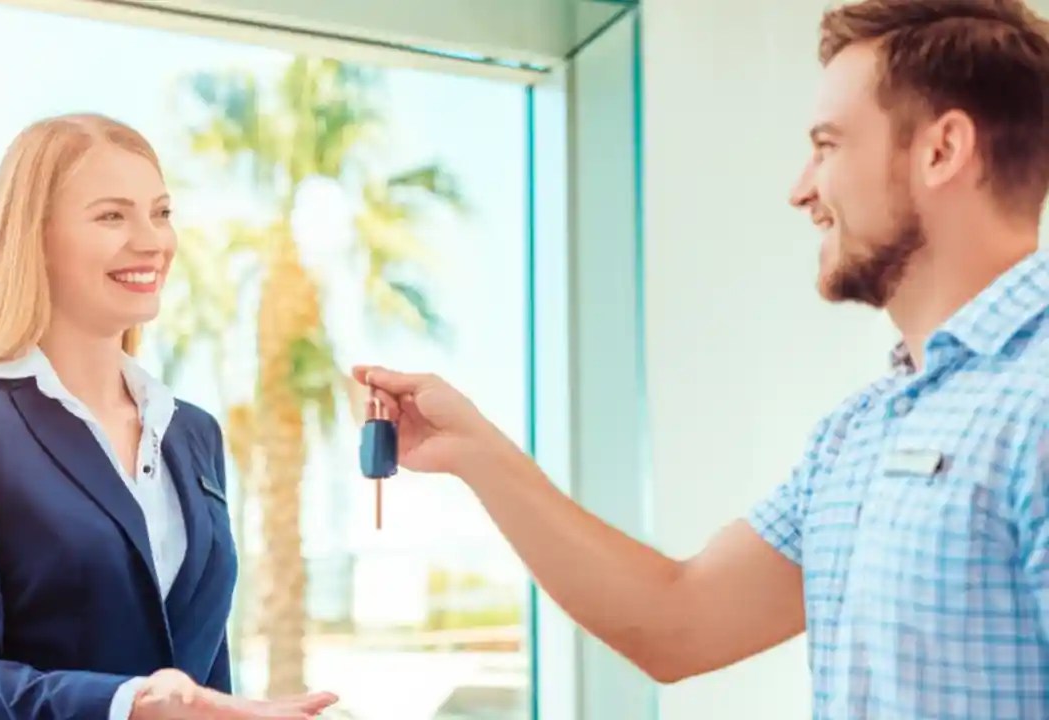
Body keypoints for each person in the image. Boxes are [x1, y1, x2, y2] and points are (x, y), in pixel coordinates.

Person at [357, 0, 1049, 717]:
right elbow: (676, 622)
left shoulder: (1037, 402)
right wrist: (472, 449)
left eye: (828, 145)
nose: (802, 189)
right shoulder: (859, 433)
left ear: (942, 150)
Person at [0, 113, 337, 720]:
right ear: (35, 237)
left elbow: (206, 678)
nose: (152, 240)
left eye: (161, 213)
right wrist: (131, 705)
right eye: (112, 215)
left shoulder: (192, 434)